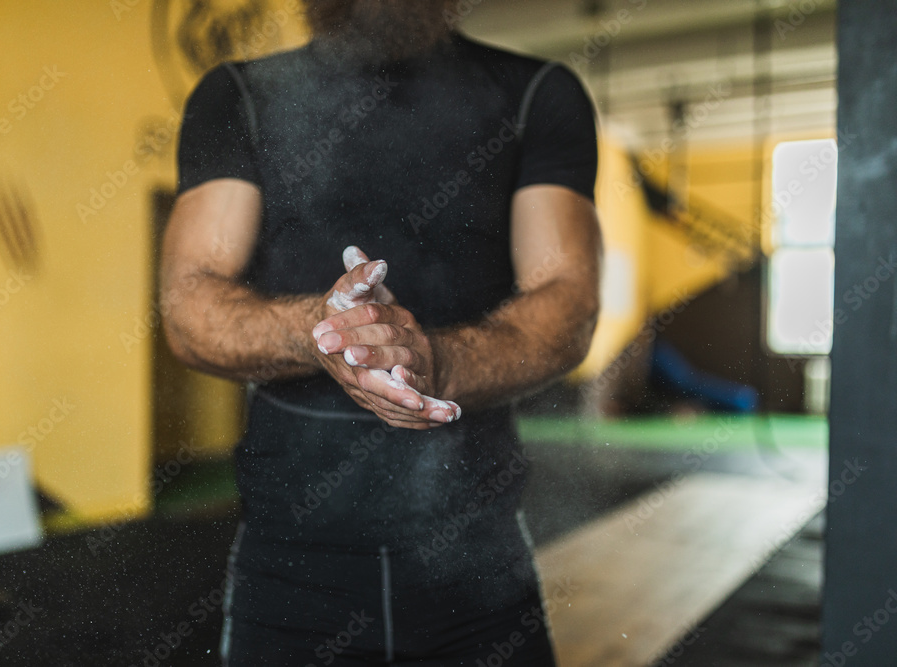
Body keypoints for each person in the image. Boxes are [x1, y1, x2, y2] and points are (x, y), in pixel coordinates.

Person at [160, 0, 602, 664]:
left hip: (477, 572)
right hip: (291, 570)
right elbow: (188, 301)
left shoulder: (538, 95)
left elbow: (569, 298)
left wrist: (437, 363)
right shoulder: (239, 96)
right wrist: (324, 330)